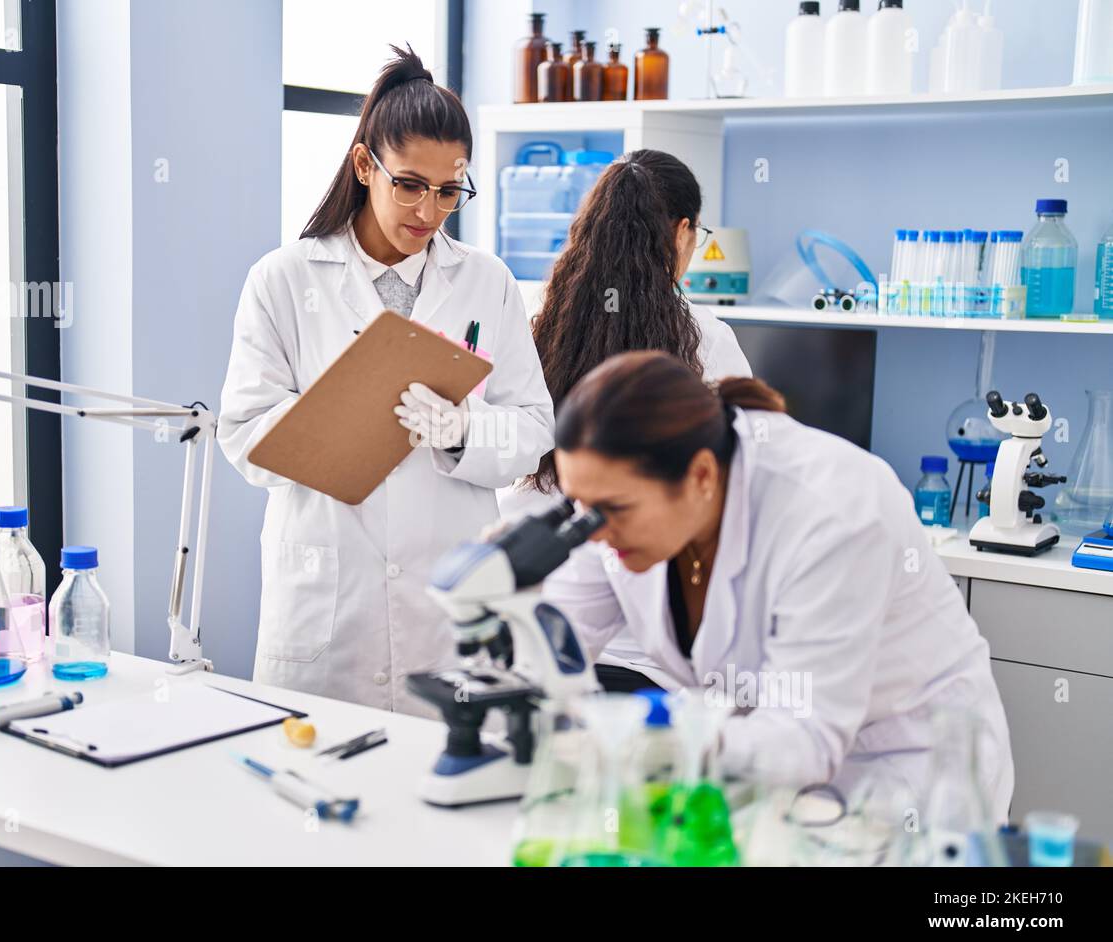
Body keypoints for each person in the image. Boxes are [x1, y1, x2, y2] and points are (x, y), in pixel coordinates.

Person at [218, 47, 554, 714]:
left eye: (449, 191)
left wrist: (463, 431)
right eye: (409, 184)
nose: (428, 211)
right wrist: (343, 421)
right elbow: (242, 431)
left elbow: (534, 426)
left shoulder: (486, 282)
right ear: (365, 165)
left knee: (445, 795)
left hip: (447, 605)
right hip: (329, 609)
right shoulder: (285, 279)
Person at [544, 351, 1014, 821]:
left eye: (613, 510)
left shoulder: (832, 509)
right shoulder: (617, 509)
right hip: (766, 772)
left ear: (701, 476)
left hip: (908, 770)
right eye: (582, 509)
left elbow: (804, 734)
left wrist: (648, 741)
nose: (595, 532)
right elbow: (554, 644)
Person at [501, 148, 751, 693]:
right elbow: (733, 485)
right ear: (683, 232)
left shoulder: (535, 325)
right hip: (652, 647)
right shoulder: (707, 341)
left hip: (534, 626)